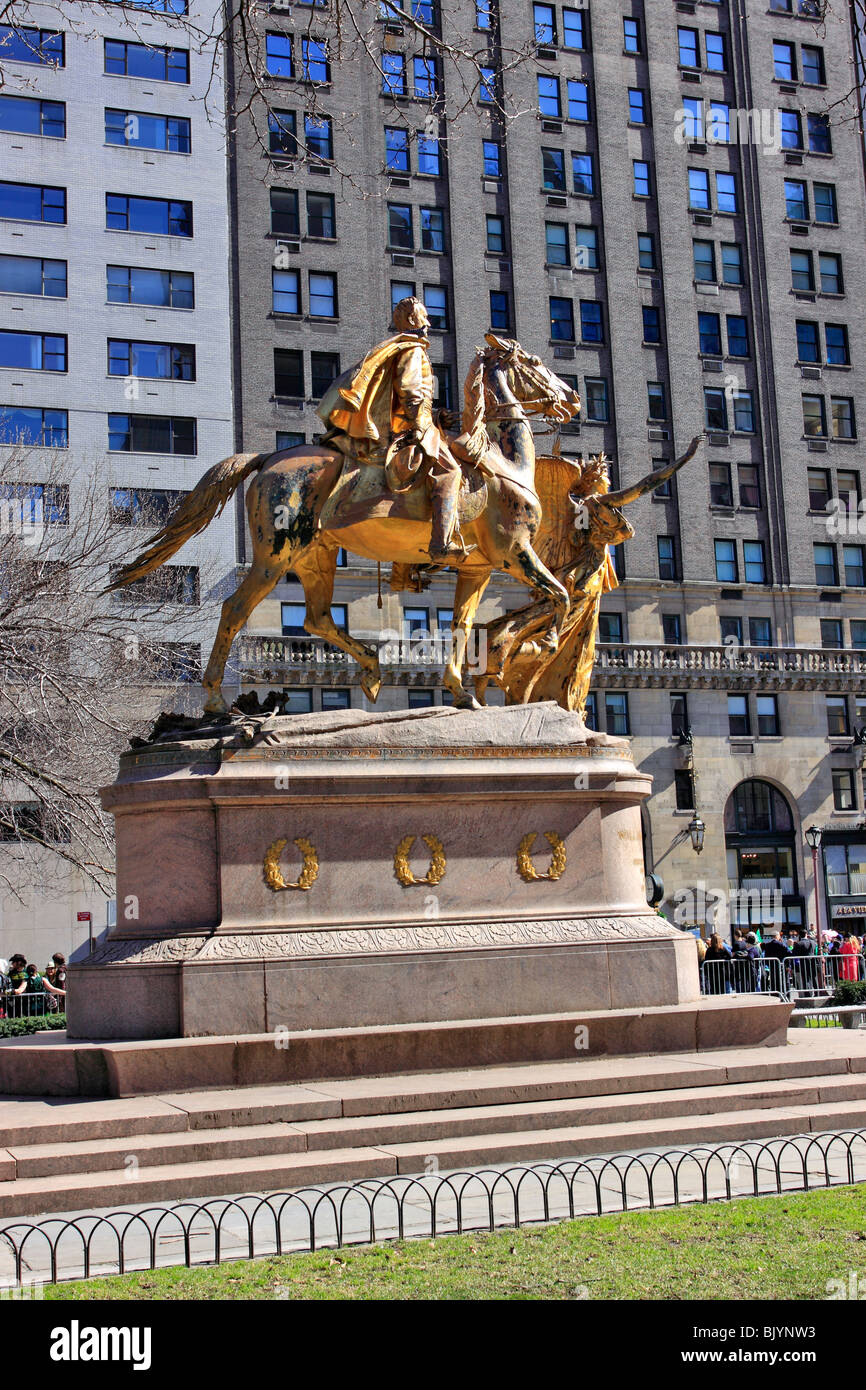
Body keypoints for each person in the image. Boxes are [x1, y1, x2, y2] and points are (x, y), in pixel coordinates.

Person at [317, 296, 469, 561]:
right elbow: (410, 393)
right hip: (409, 429)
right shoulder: (413, 349)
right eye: (425, 316)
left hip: (405, 424)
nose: (429, 323)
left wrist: (435, 416)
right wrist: (425, 425)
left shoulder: (400, 347)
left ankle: (409, 564)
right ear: (413, 320)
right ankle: (441, 544)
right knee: (451, 471)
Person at [761, 929, 792, 996]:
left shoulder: (767, 945)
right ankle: (786, 996)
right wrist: (787, 964)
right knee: (784, 982)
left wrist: (768, 964)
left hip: (772, 966)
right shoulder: (781, 944)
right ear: (777, 936)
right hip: (781, 965)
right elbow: (789, 953)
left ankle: (775, 996)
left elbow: (766, 957)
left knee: (773, 982)